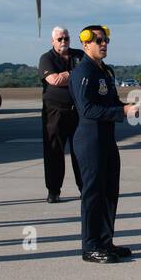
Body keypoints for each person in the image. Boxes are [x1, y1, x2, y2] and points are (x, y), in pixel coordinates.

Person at [70, 25, 140, 263]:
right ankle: (90, 246)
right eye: (98, 40)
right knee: (93, 194)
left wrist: (127, 106)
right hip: (89, 141)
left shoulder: (105, 72)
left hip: (107, 139)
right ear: (86, 44)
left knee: (110, 191)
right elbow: (86, 109)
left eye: (106, 39)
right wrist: (121, 111)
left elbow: (110, 102)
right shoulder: (83, 72)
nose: (104, 44)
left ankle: (105, 241)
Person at [38, 27, 85, 204]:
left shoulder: (79, 55)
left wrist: (66, 75)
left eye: (66, 38)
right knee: (54, 152)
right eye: (59, 39)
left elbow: (91, 71)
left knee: (80, 151)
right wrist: (75, 74)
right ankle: (53, 190)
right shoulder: (47, 58)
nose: (63, 41)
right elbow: (54, 80)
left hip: (77, 111)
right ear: (52, 41)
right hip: (55, 113)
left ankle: (84, 188)